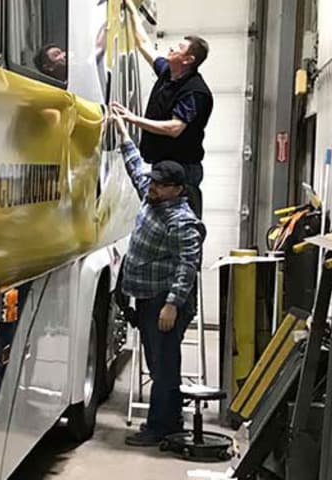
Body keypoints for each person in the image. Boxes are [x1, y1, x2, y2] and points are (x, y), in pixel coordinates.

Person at [109, 109, 203, 447]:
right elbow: (135, 165)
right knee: (158, 361)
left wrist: (172, 306)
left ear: (176, 189)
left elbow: (187, 264)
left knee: (163, 366)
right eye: (153, 181)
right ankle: (170, 419)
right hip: (148, 298)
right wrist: (121, 128)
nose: (152, 186)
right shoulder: (153, 200)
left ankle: (159, 427)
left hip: (164, 303)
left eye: (160, 185)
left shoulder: (181, 220)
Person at [113, 27, 212, 217]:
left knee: (178, 226)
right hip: (163, 167)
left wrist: (133, 119)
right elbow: (143, 44)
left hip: (182, 171)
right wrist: (130, 6)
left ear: (188, 59)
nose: (172, 48)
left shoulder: (194, 91)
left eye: (179, 48)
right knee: (156, 222)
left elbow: (175, 128)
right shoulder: (168, 73)